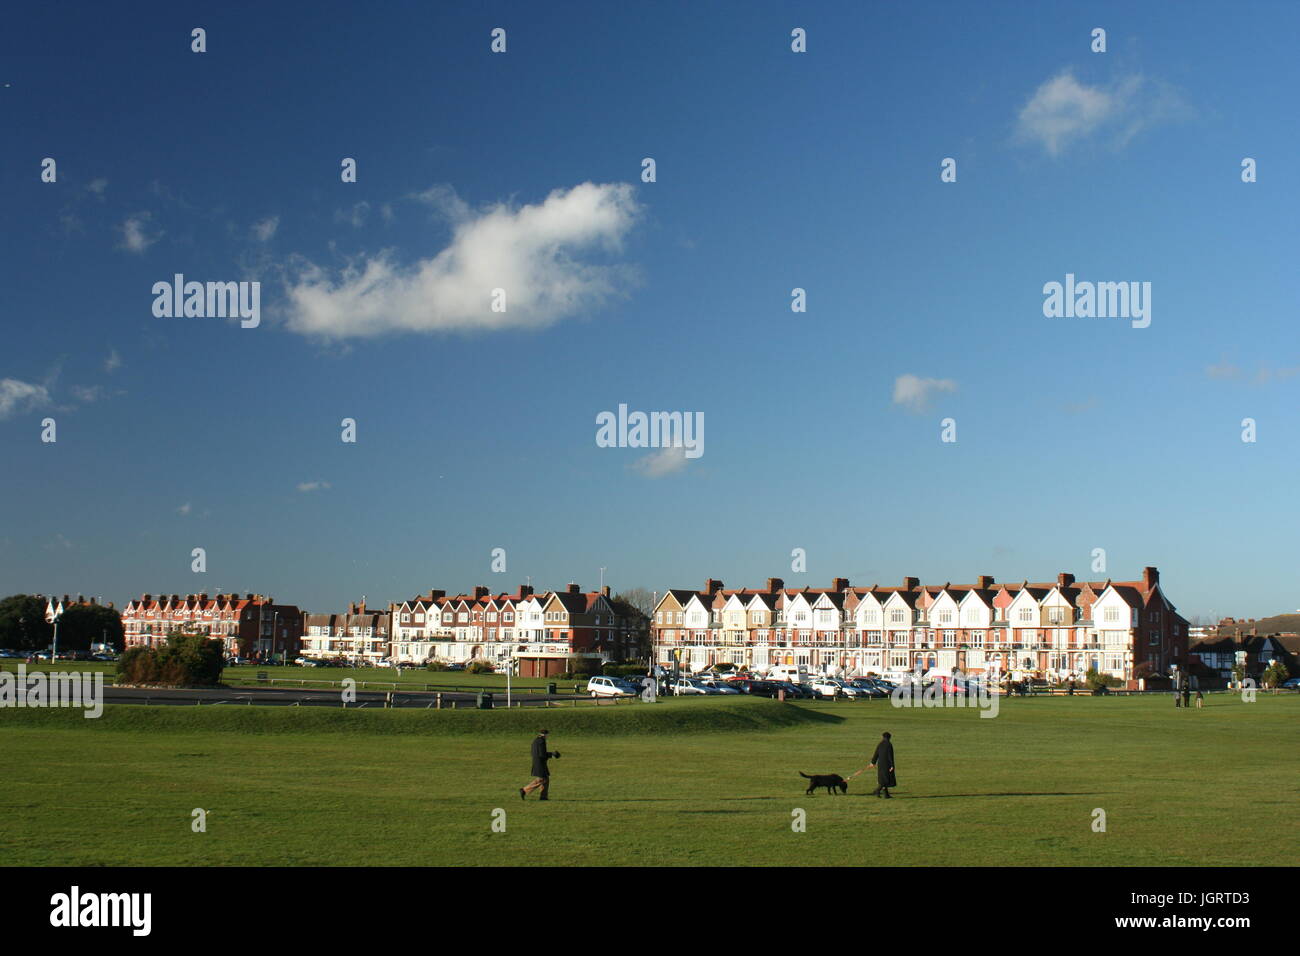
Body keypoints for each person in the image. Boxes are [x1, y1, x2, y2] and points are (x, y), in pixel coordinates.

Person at [519, 728, 560, 801]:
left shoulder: (536, 740)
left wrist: (551, 755)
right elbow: (542, 754)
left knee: (546, 779)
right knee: (542, 779)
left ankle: (543, 797)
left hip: (537, 761)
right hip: (540, 762)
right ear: (545, 735)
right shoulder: (542, 741)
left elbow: (534, 752)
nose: (547, 736)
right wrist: (552, 754)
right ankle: (524, 790)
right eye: (547, 735)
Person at [869, 731, 897, 799]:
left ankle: (886, 795)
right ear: (889, 737)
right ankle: (877, 791)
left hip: (880, 764)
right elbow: (890, 756)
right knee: (886, 780)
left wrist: (873, 762)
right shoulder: (889, 744)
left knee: (883, 778)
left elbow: (876, 754)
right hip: (887, 764)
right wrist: (892, 765)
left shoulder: (880, 744)